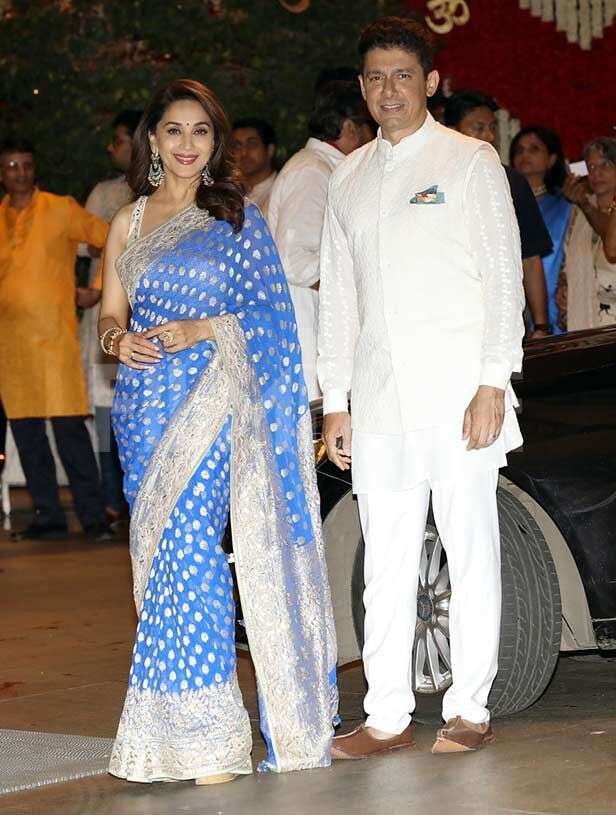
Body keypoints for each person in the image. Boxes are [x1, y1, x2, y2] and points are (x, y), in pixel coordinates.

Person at [99, 79, 337, 783]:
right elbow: (112, 315)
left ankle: (215, 740)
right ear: (152, 140)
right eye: (173, 130)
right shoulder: (128, 223)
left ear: (215, 142)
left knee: (195, 551)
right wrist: (119, 342)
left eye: (200, 132)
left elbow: (272, 319)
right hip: (142, 411)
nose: (186, 145)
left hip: (208, 402)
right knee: (165, 564)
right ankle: (168, 732)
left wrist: (204, 327)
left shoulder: (235, 218)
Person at [318, 17, 525, 758]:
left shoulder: (469, 162)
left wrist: (492, 380)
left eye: (403, 76)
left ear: (430, 81)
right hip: (378, 401)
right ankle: (386, 716)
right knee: (386, 561)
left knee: (470, 550)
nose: (388, 90)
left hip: (460, 394)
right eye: (375, 78)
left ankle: (469, 706)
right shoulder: (346, 177)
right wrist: (335, 400)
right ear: (362, 87)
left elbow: (504, 280)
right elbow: (337, 299)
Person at [0, 138, 111, 541]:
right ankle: (49, 515)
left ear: (35, 169)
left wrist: (98, 287)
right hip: (11, 347)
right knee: (27, 435)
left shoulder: (59, 208)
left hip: (54, 340)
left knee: (69, 431)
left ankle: (94, 515)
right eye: (11, 165)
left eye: (26, 164)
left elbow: (111, 236)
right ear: (2, 173)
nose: (20, 172)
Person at [267, 80, 372, 400]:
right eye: (370, 127)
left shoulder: (324, 167)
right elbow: (294, 262)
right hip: (307, 335)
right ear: (351, 128)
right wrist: (360, 283)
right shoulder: (313, 171)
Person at [445, 90, 553, 337]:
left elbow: (530, 258)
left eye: (492, 127)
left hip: (504, 323)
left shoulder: (511, 180)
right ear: (450, 130)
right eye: (478, 127)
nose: (490, 136)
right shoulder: (431, 182)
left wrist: (542, 326)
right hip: (449, 319)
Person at [80, 110, 142, 524]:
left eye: (119, 139)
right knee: (107, 417)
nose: (112, 148)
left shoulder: (177, 200)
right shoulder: (105, 195)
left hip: (158, 333)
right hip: (109, 325)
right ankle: (110, 500)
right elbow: (86, 249)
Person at [510, 126, 571, 334]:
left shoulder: (567, 206)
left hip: (558, 302)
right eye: (519, 150)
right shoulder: (502, 205)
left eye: (533, 149)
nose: (524, 155)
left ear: (552, 159)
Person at [557, 138, 616, 330]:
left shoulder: (585, 206)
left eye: (605, 165)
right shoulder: (578, 212)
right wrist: (564, 285)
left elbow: (610, 241)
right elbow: (567, 259)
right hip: (585, 321)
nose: (596, 173)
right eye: (590, 166)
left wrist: (585, 205)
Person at [232, 117, 278, 217]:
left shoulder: (280, 190)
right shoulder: (232, 196)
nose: (244, 153)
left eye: (252, 144)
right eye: (238, 146)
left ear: (270, 150)